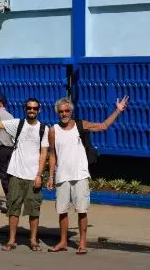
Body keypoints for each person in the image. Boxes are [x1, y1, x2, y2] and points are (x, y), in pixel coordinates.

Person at [47, 95, 128, 255]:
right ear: (57, 112)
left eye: (67, 110)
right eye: (61, 111)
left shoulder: (80, 125)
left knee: (82, 210)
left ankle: (82, 243)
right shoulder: (53, 130)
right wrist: (50, 176)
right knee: (62, 211)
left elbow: (103, 126)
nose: (64, 114)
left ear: (71, 111)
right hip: (62, 176)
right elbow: (52, 155)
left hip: (80, 175)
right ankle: (63, 241)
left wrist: (118, 110)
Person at [0, 92, 48, 252]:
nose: (32, 110)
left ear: (39, 110)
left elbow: (43, 154)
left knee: (34, 210)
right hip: (16, 174)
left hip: (33, 177)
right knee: (13, 210)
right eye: (29, 108)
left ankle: (33, 240)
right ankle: (12, 240)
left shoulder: (44, 129)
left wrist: (39, 175)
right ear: (25, 109)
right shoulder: (17, 124)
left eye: (34, 108)